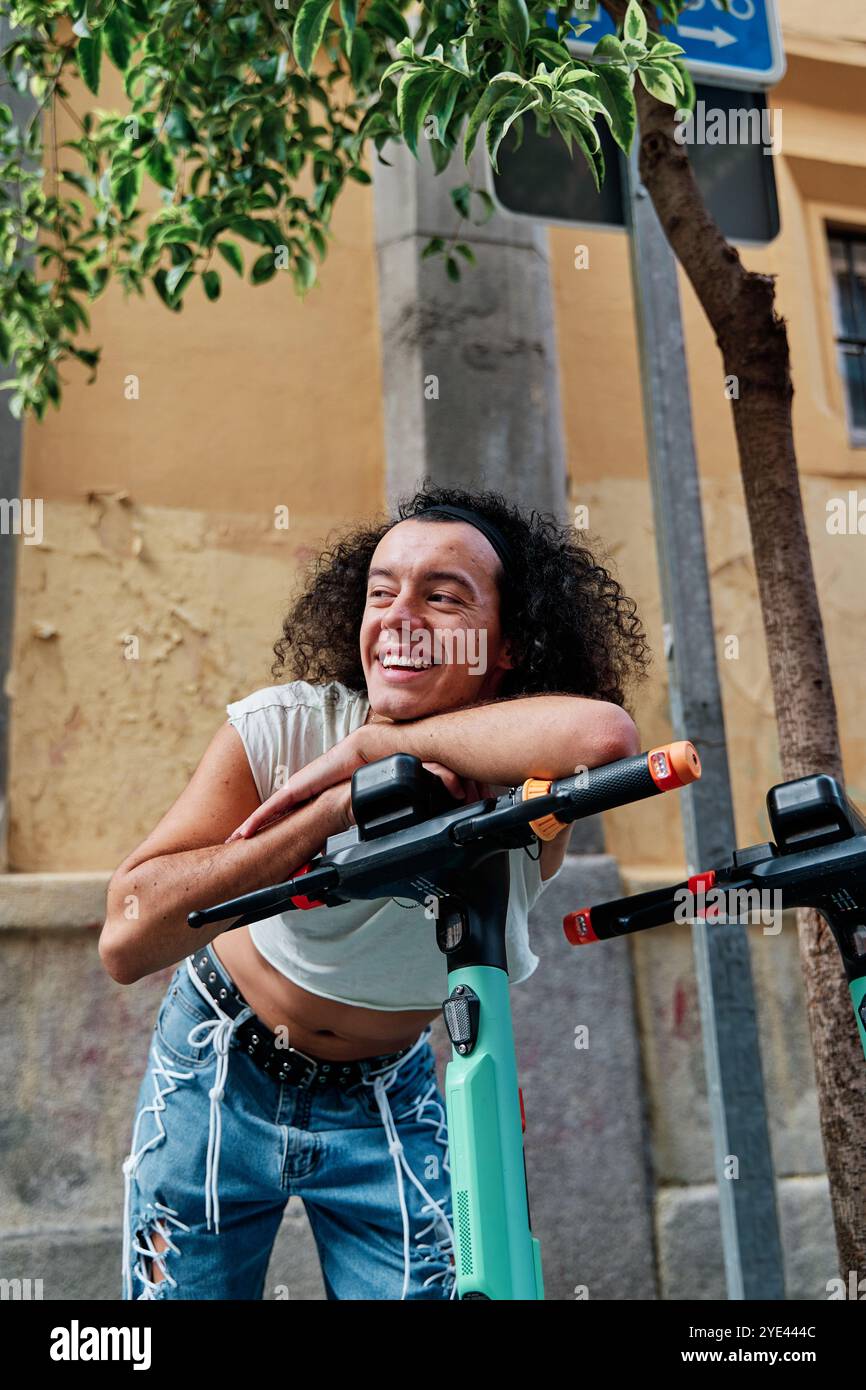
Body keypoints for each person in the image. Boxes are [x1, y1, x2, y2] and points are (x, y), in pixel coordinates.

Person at [100, 482, 649, 1300]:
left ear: (509, 644)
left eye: (443, 596)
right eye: (381, 592)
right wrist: (323, 810)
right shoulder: (286, 729)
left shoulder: (529, 774)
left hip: (392, 1090)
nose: (398, 616)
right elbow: (127, 936)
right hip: (218, 1065)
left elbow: (607, 736)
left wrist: (374, 747)